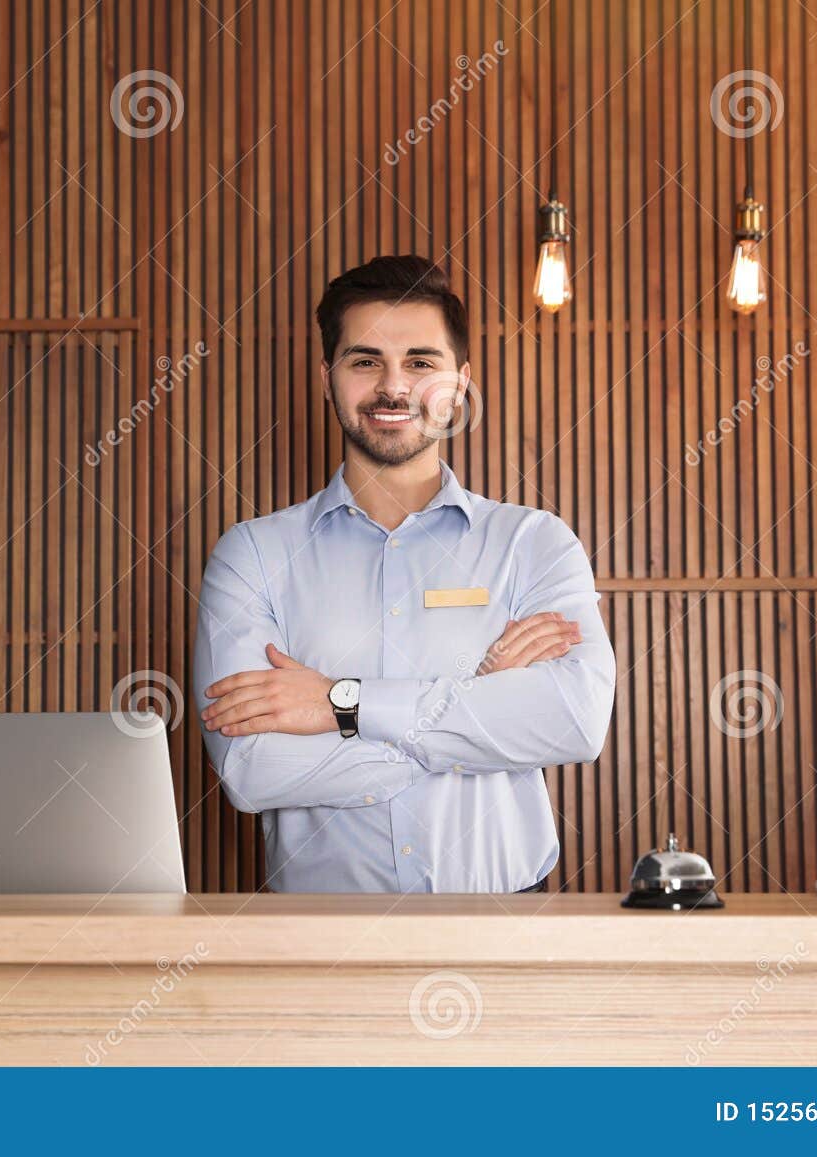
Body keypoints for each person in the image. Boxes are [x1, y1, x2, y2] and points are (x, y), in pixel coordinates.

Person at [192, 255, 615, 892]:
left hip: (505, 924)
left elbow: (575, 723)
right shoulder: (251, 555)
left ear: (459, 383)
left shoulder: (534, 544)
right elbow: (253, 772)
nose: (394, 387)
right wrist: (474, 709)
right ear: (327, 376)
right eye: (365, 362)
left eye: (421, 362)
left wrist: (340, 703)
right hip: (320, 946)